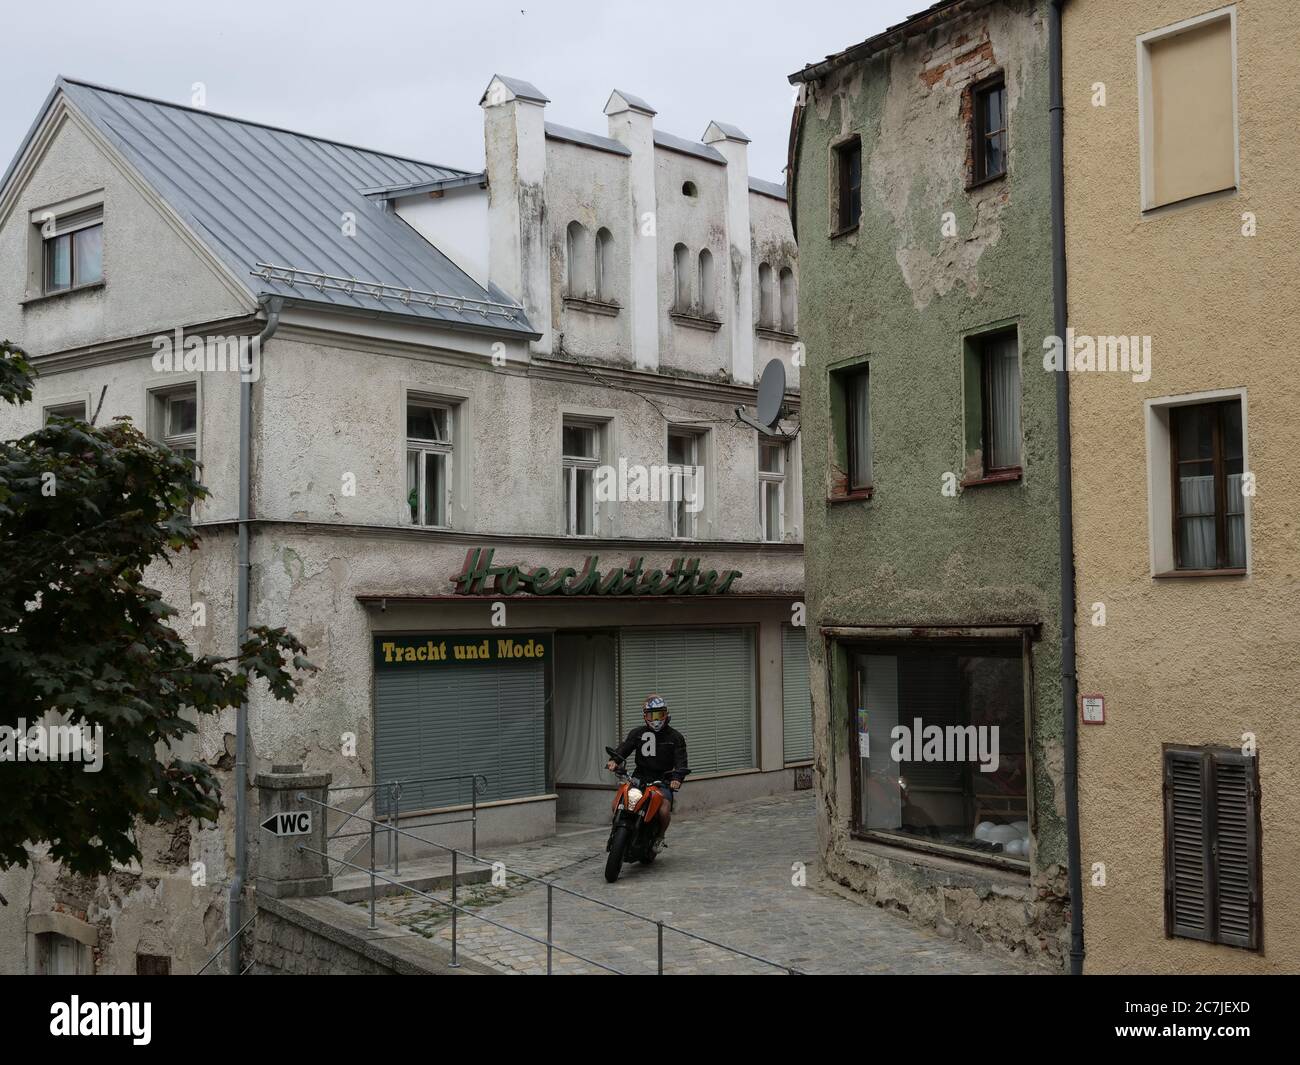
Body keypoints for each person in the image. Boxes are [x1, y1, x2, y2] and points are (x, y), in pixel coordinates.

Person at [606, 694, 688, 838]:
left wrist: (677, 778)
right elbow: (625, 748)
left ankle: (659, 837)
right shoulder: (637, 733)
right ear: (645, 716)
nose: (655, 720)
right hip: (639, 777)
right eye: (651, 715)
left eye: (659, 714)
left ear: (666, 714)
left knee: (664, 810)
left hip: (663, 780)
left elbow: (681, 761)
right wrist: (614, 760)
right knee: (617, 803)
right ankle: (617, 832)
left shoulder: (675, 737)